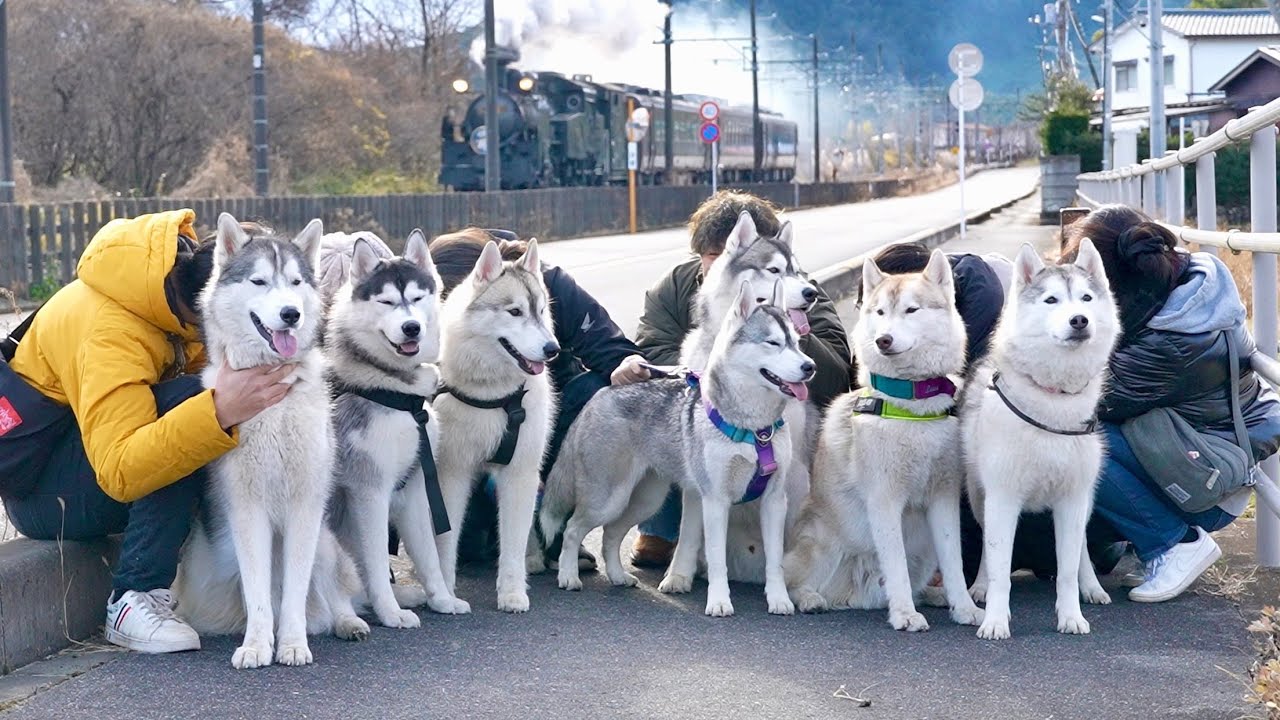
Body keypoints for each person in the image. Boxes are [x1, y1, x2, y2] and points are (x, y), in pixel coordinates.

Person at [0, 210, 293, 653]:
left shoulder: (173, 302)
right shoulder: (109, 328)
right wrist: (217, 410)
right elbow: (121, 469)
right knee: (196, 403)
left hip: (91, 460)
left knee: (211, 402)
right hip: (46, 495)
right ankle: (133, 597)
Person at [621, 190, 854, 568]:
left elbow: (836, 372)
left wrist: (793, 332)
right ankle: (662, 528)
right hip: (701, 414)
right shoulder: (676, 285)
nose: (721, 264)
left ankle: (796, 546)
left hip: (779, 427)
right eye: (713, 254)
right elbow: (654, 349)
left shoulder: (797, 290)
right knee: (664, 420)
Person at [1063, 204, 1280, 602]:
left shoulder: (1174, 343)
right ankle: (1141, 541)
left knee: (1074, 438)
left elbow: (1082, 400)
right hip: (1198, 456)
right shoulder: (1188, 288)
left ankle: (1173, 544)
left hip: (1208, 489)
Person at [426, 228, 643, 566]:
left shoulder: (546, 283)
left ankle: (553, 529)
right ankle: (485, 525)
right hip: (463, 425)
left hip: (545, 415)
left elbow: (604, 341)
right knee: (471, 551)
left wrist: (625, 363)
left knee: (598, 391)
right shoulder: (432, 307)